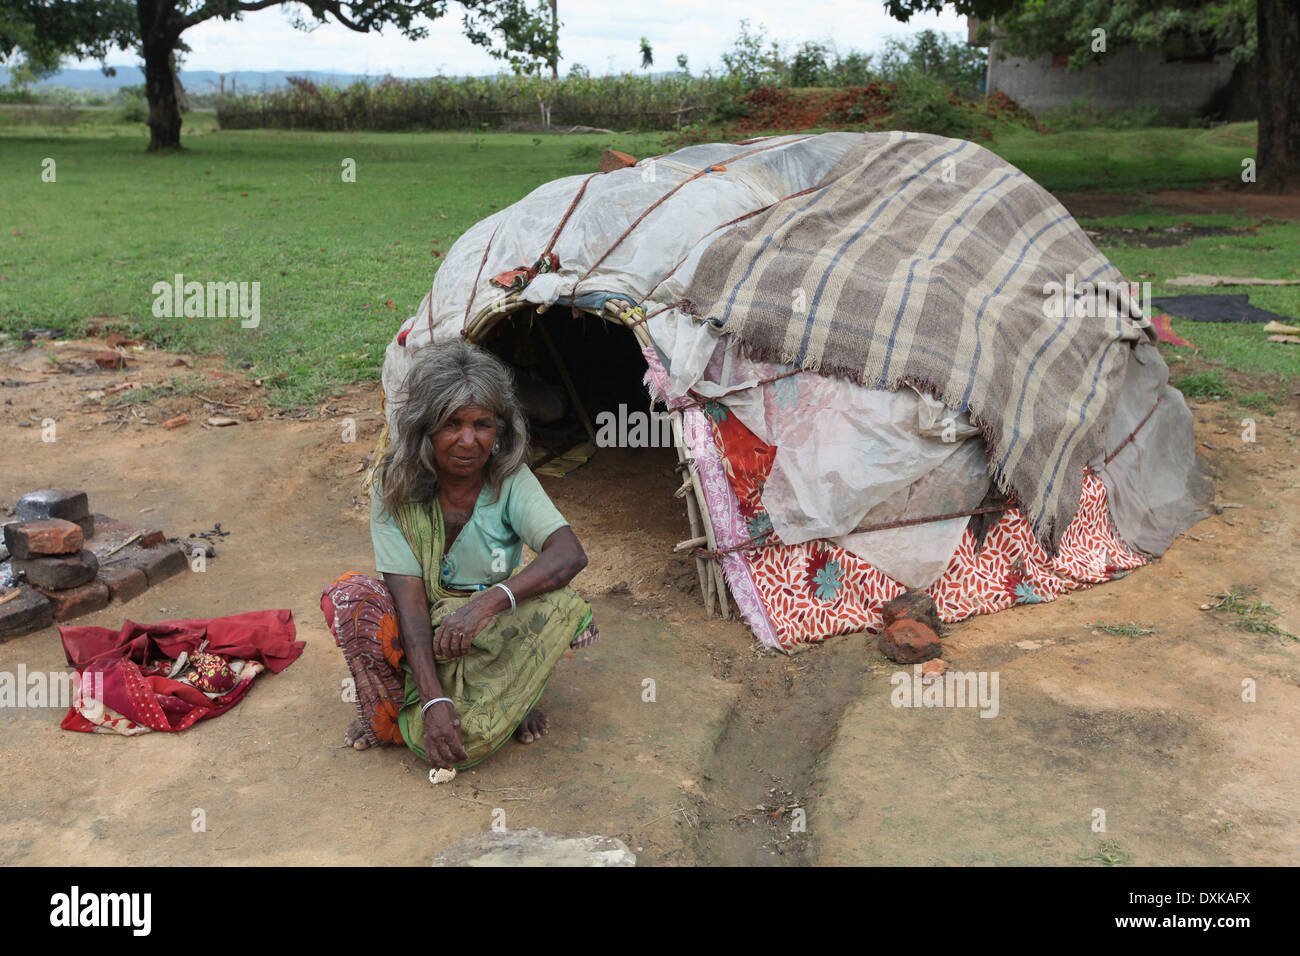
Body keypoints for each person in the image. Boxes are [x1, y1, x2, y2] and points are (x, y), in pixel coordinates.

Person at [320, 339, 598, 771]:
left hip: (483, 628)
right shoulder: (395, 485)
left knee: (563, 607)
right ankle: (397, 710)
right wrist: (434, 700)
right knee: (353, 598)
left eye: (482, 425)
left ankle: (514, 702)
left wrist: (485, 605)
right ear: (424, 426)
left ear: (499, 430)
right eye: (452, 424)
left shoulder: (510, 479)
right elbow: (410, 602)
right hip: (422, 631)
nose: (468, 441)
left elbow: (568, 554)